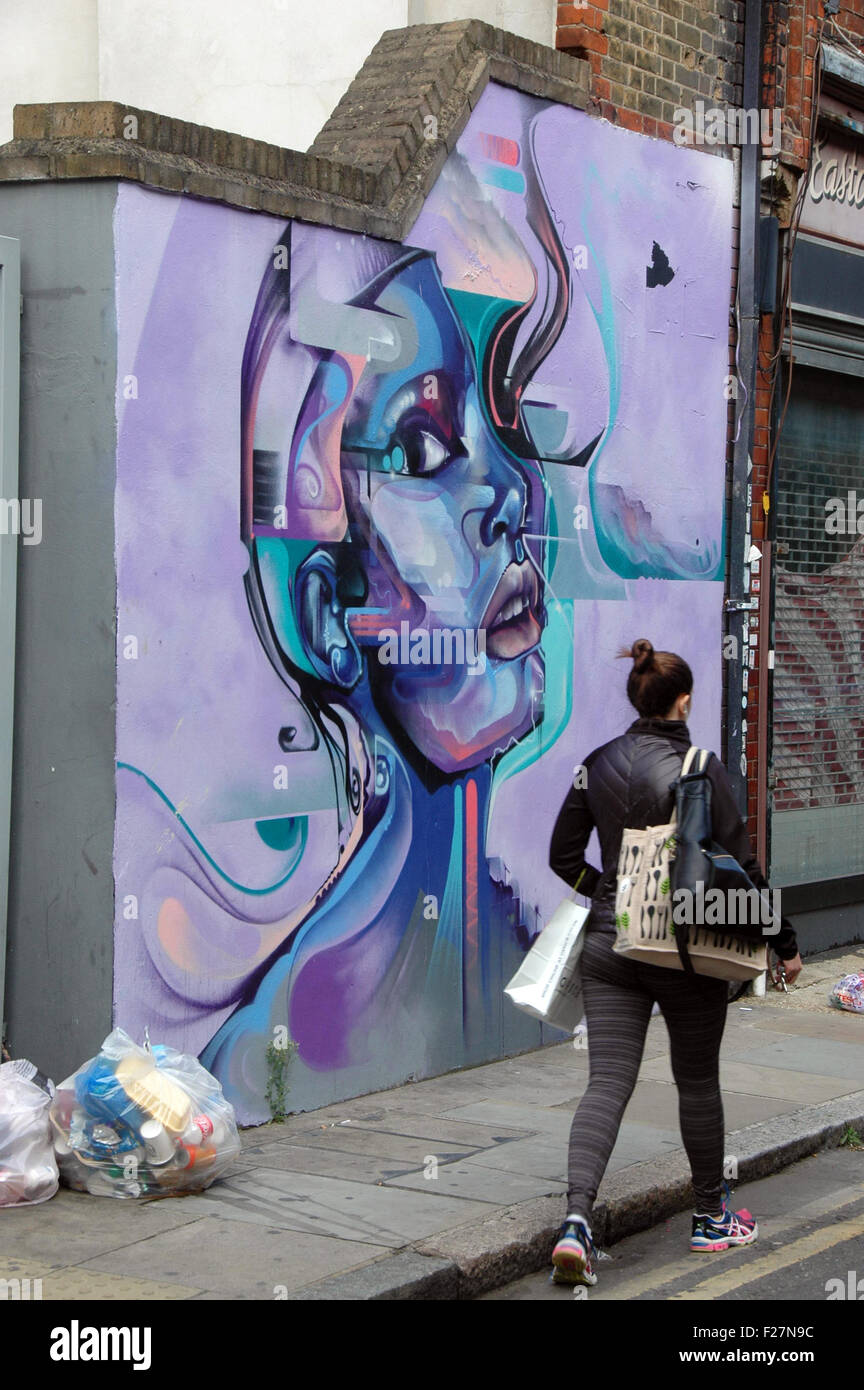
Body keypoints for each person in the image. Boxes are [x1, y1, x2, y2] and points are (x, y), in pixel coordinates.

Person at [547, 638, 802, 1286]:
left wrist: (609, 890)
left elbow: (562, 855)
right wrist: (785, 943)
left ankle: (576, 1222)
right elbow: (741, 866)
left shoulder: (596, 763)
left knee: (606, 1084)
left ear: (637, 695)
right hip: (687, 947)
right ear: (683, 700)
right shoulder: (700, 766)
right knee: (696, 1082)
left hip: (610, 946)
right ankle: (711, 1218)